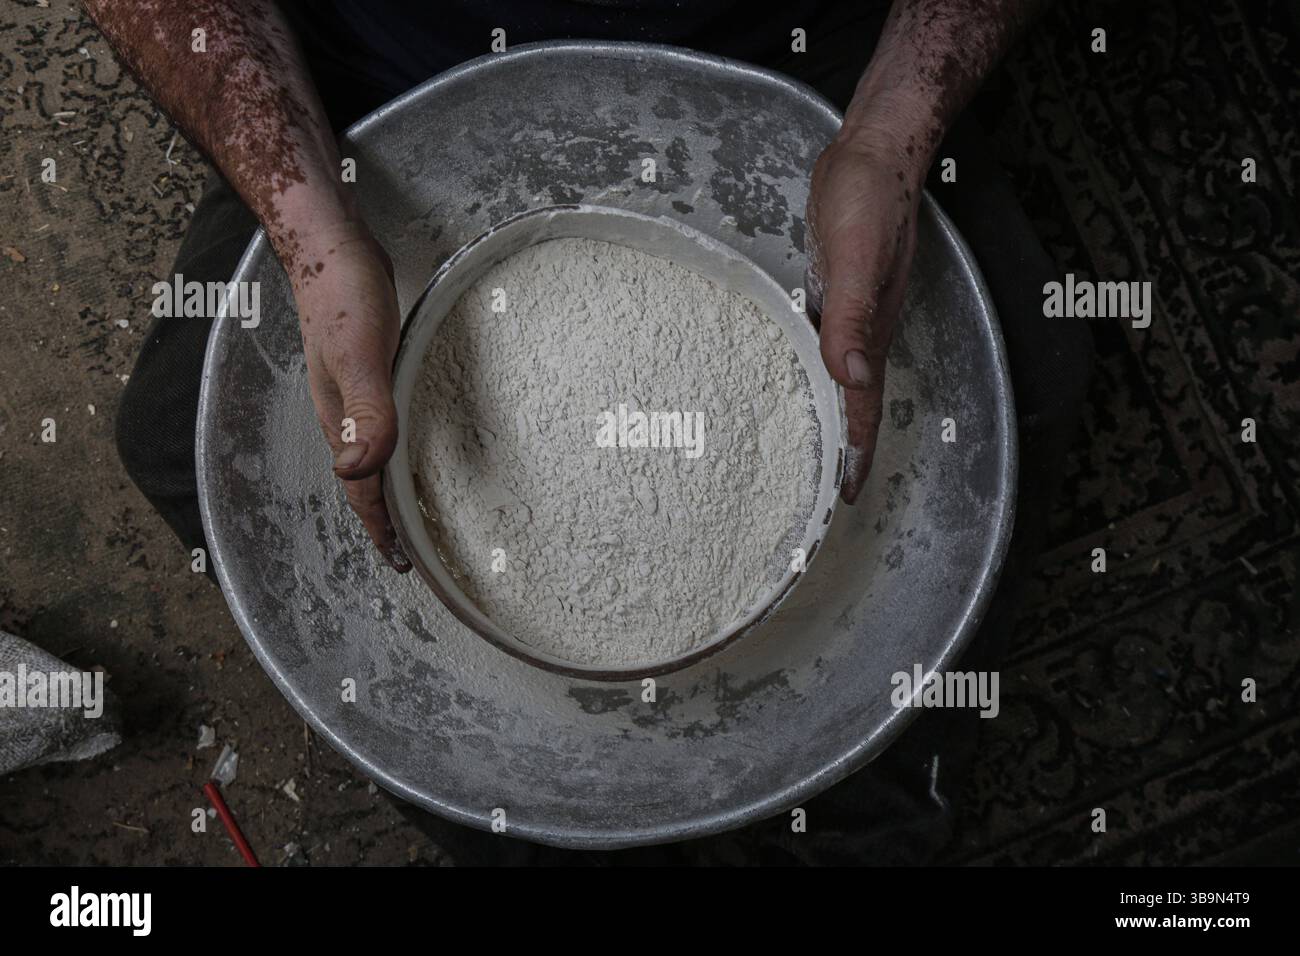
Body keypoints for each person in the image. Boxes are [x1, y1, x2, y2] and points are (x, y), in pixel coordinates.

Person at [89, 0, 1092, 864]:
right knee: (189, 438)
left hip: (813, 66)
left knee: (1016, 384)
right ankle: (535, 832)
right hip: (375, 84)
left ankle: (858, 797)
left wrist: (893, 127)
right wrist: (308, 231)